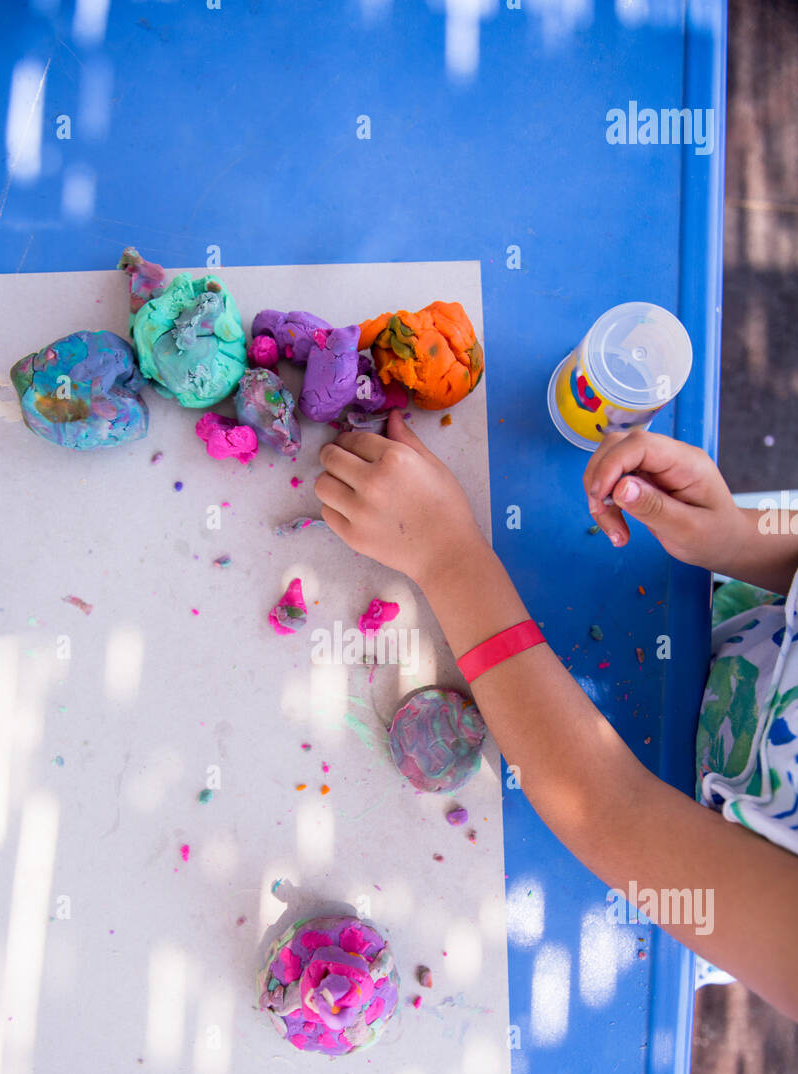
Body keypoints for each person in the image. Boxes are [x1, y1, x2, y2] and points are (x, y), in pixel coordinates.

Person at [315, 413, 798, 1021]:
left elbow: (614, 815)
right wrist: (733, 538)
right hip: (713, 631)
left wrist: (447, 557)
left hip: (664, 860)